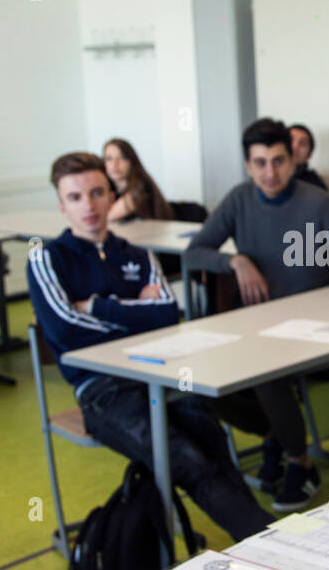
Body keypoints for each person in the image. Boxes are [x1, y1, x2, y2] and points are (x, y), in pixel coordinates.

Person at [27, 152, 273, 542]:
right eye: (75, 198)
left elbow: (166, 315)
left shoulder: (138, 255)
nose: (88, 206)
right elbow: (64, 329)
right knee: (187, 460)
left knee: (214, 444)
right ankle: (266, 541)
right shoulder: (46, 258)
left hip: (161, 374)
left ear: (112, 196)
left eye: (96, 193)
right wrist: (135, 309)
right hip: (102, 390)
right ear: (61, 206)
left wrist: (95, 306)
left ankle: (262, 540)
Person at [186, 117, 329, 511]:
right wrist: (235, 260)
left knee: (266, 375)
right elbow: (194, 252)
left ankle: (300, 462)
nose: (269, 172)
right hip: (256, 324)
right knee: (201, 380)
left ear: (292, 160)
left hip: (316, 328)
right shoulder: (239, 199)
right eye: (259, 163)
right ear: (247, 165)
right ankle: (277, 434)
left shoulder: (317, 202)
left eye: (278, 161)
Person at [102, 137, 175, 224]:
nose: (114, 164)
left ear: (132, 161)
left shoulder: (142, 187)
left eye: (122, 157)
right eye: (109, 158)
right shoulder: (108, 188)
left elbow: (106, 218)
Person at [289, 123, 329, 192]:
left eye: (302, 143)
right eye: (290, 140)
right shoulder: (269, 173)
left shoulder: (315, 186)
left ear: (309, 156)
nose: (295, 147)